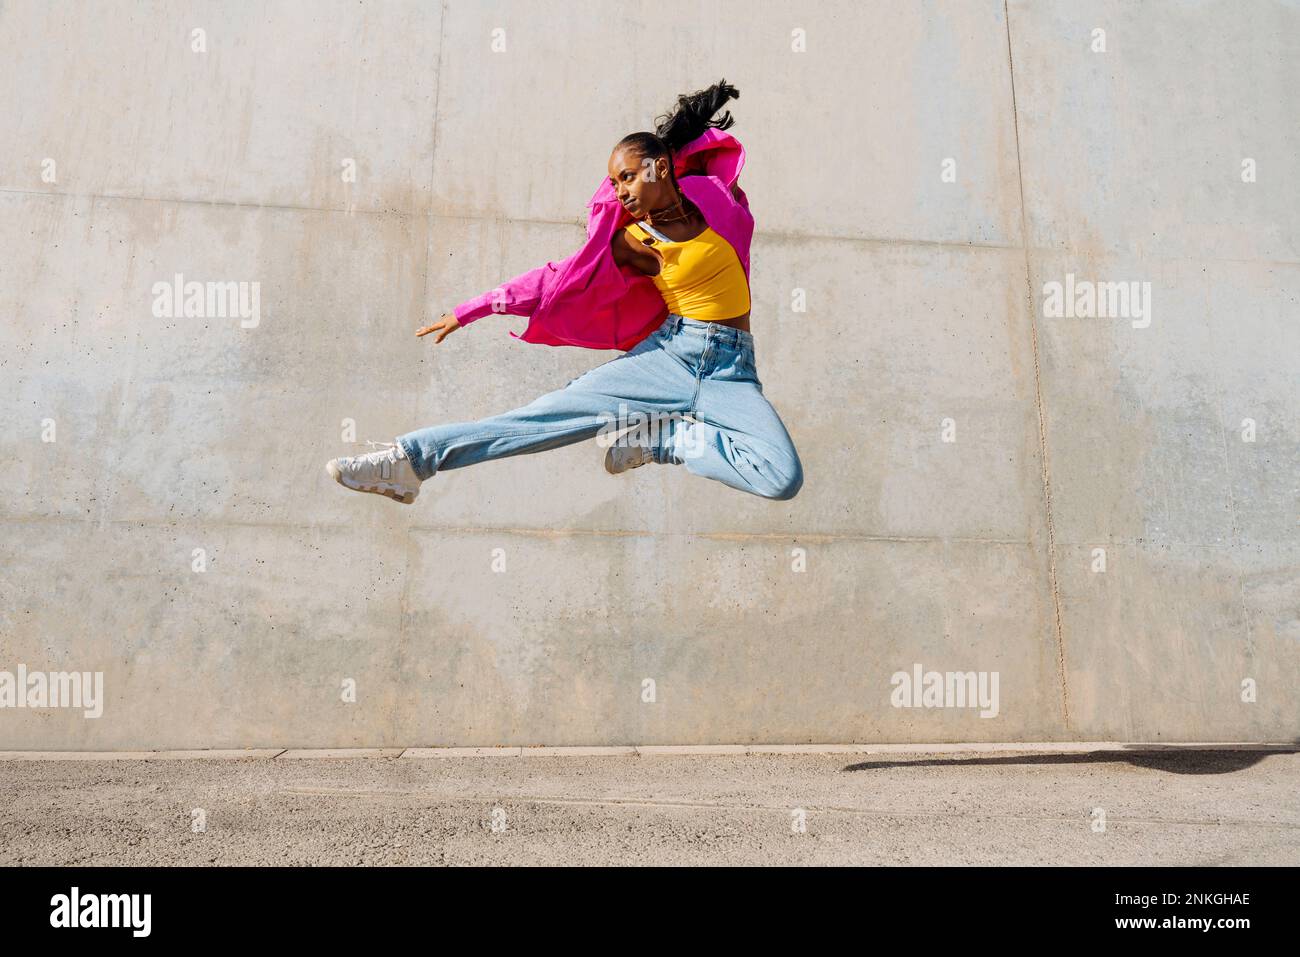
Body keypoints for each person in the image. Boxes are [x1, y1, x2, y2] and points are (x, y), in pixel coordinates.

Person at [325, 80, 803, 505]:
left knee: (782, 477)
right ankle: (409, 461)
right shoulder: (634, 241)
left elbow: (731, 203)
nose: (621, 192)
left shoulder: (712, 197)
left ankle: (664, 441)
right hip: (671, 358)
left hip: (733, 372)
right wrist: (472, 309)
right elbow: (556, 278)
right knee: (545, 419)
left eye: (629, 177)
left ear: (660, 167)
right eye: (615, 184)